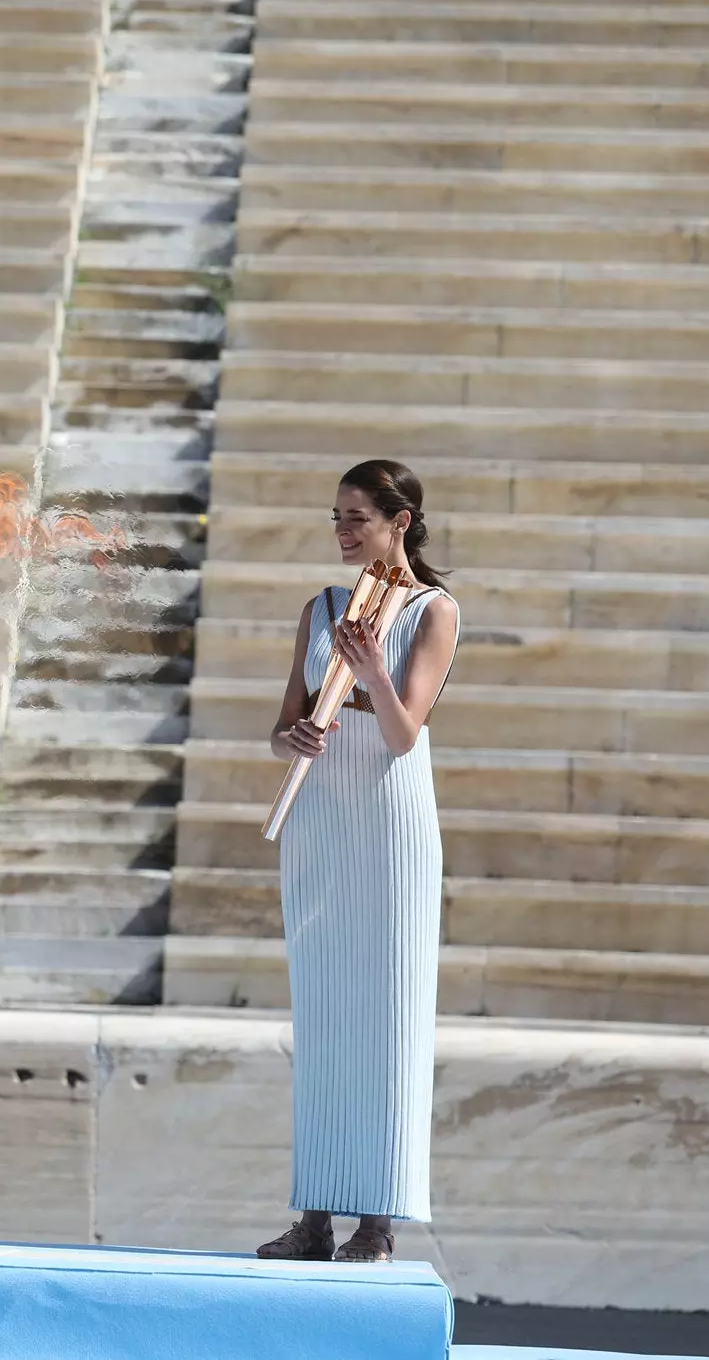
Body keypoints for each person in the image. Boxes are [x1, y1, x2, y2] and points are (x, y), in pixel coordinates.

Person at [254, 459, 460, 1266]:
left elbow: (406, 729)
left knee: (391, 1021)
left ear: (399, 523)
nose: (342, 532)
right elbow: (282, 725)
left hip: (391, 828)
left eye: (357, 519)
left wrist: (370, 667)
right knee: (325, 1020)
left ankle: (378, 1222)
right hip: (320, 824)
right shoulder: (323, 608)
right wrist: (295, 737)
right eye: (336, 517)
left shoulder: (435, 611)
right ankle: (315, 1217)